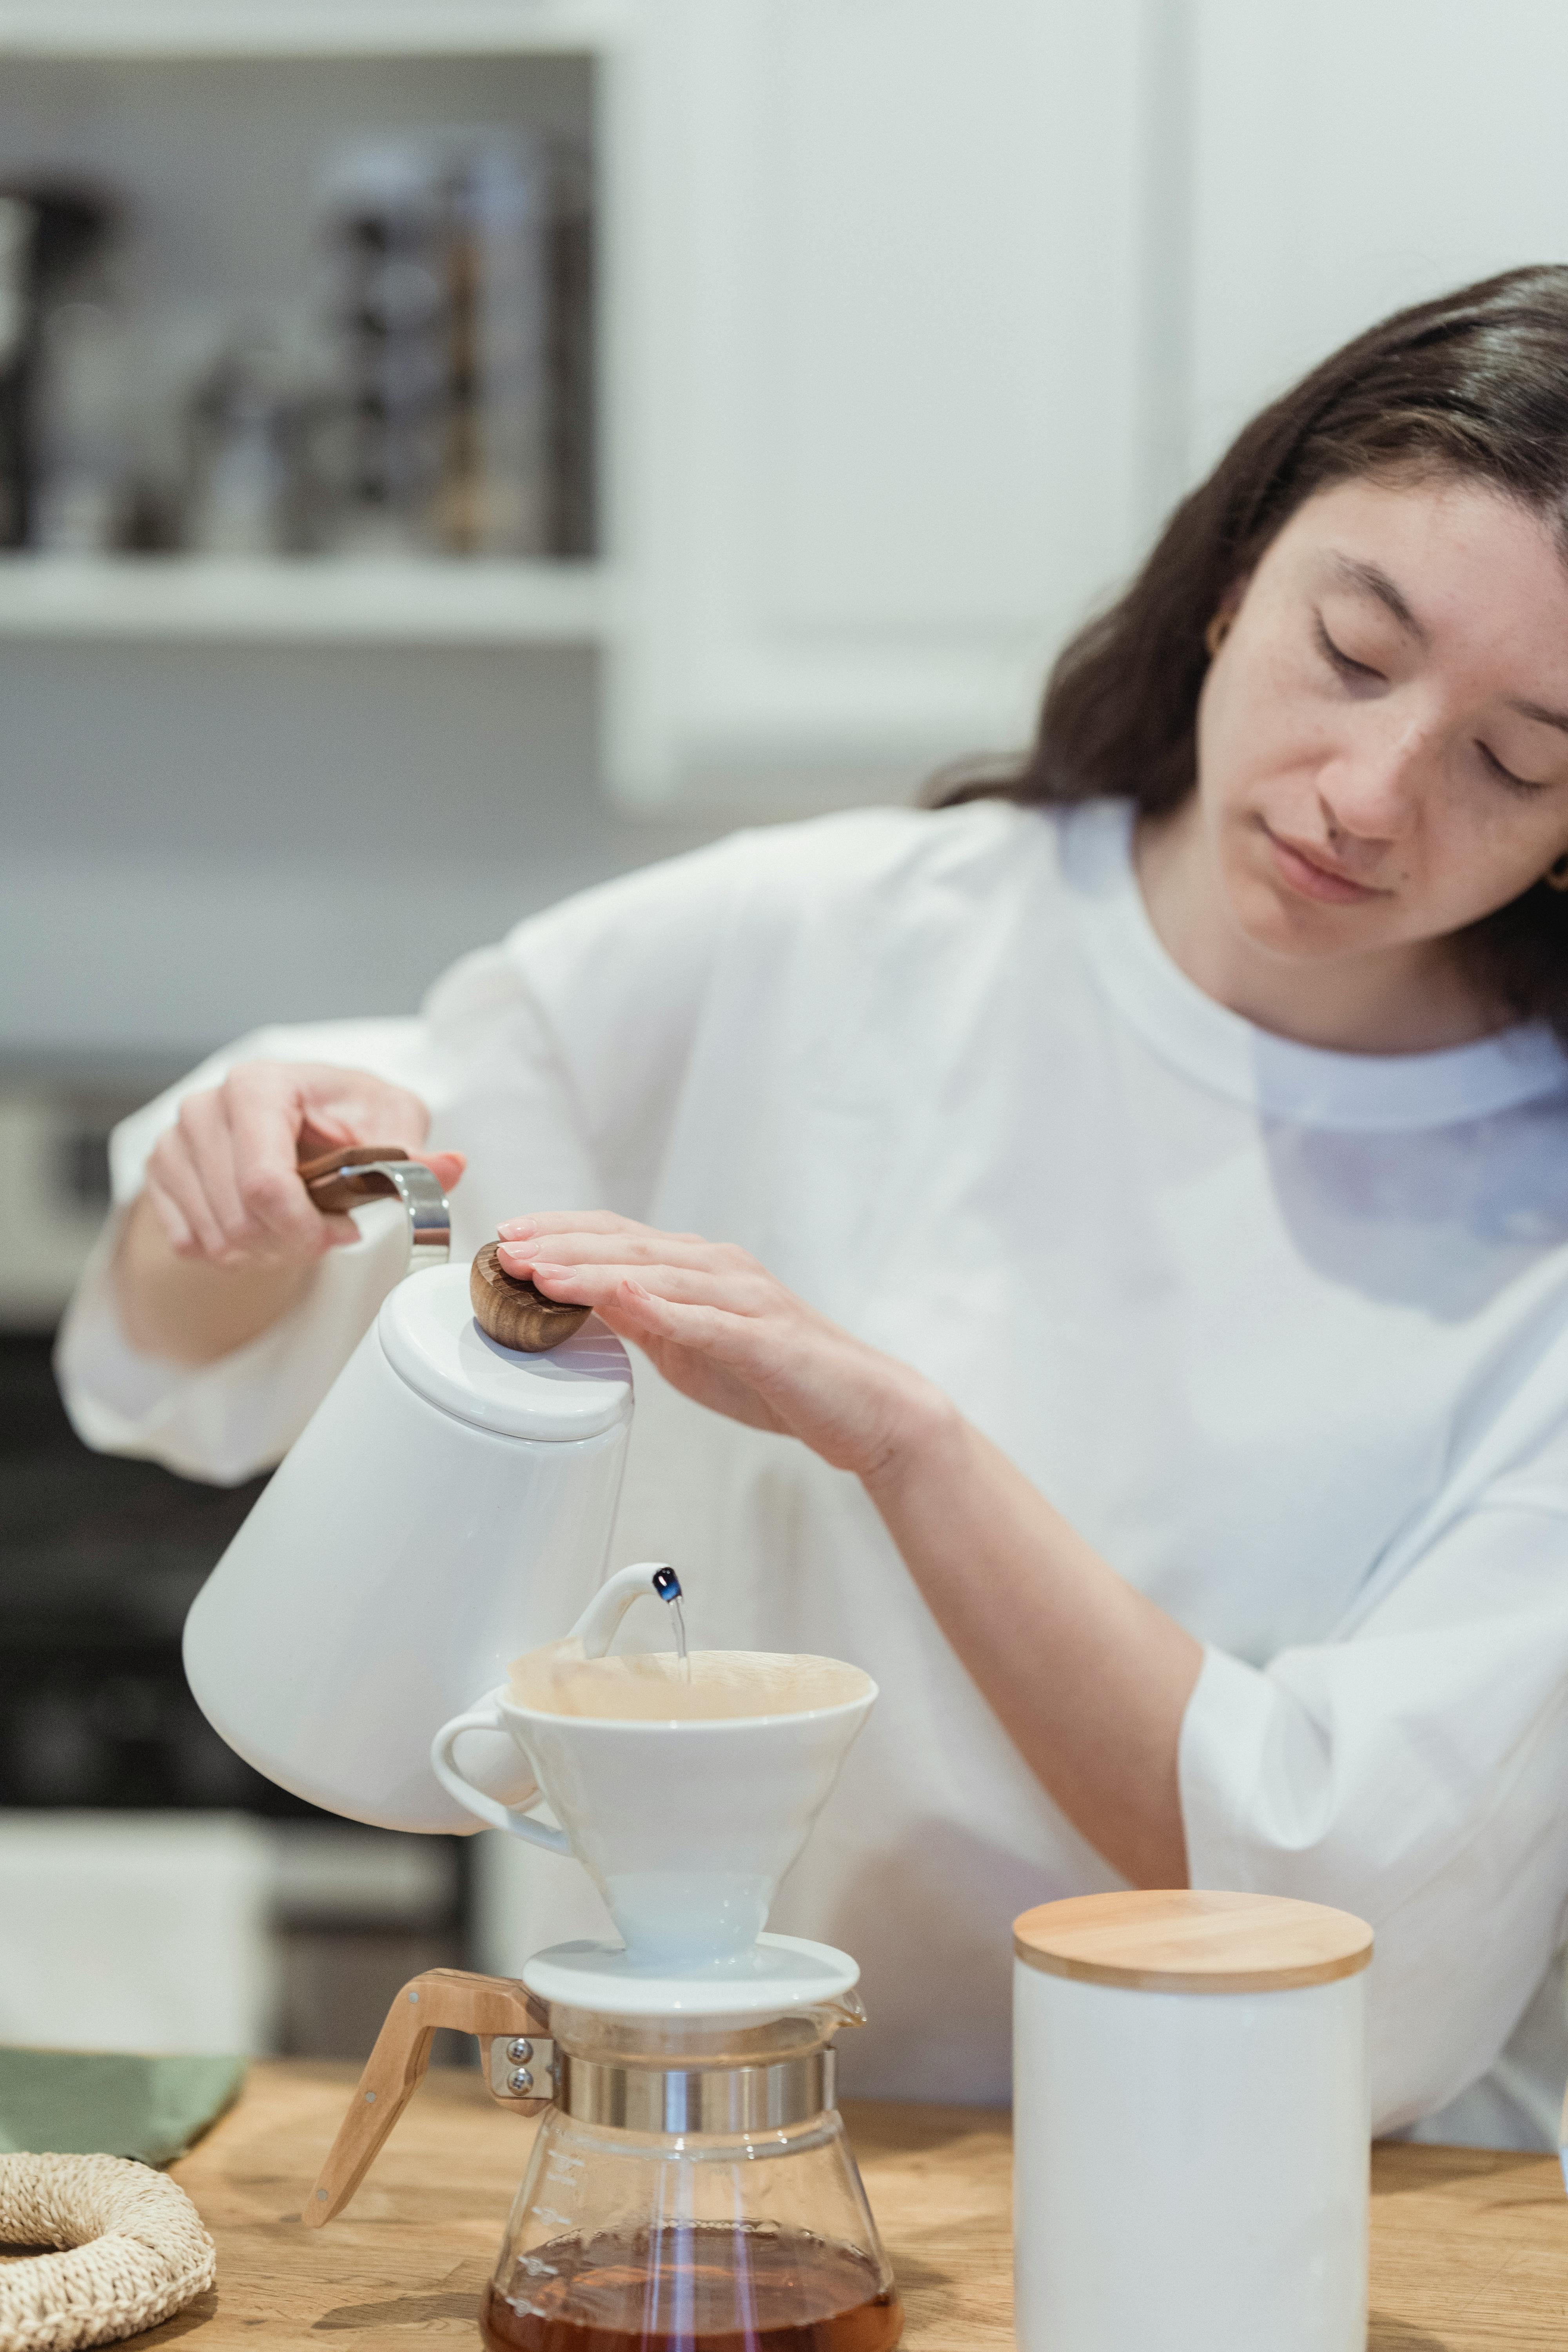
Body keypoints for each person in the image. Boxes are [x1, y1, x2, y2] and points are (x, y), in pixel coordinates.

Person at [58, 265, 1568, 2144]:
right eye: (1350, 649)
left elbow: (1359, 1918)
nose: (1367, 793)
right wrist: (234, 1195)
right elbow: (207, 1363)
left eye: (1514, 762)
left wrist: (909, 1445)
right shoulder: (812, 944)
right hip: (675, 2153)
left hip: (1262, 2187)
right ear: (1235, 573)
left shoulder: (1538, 1230)